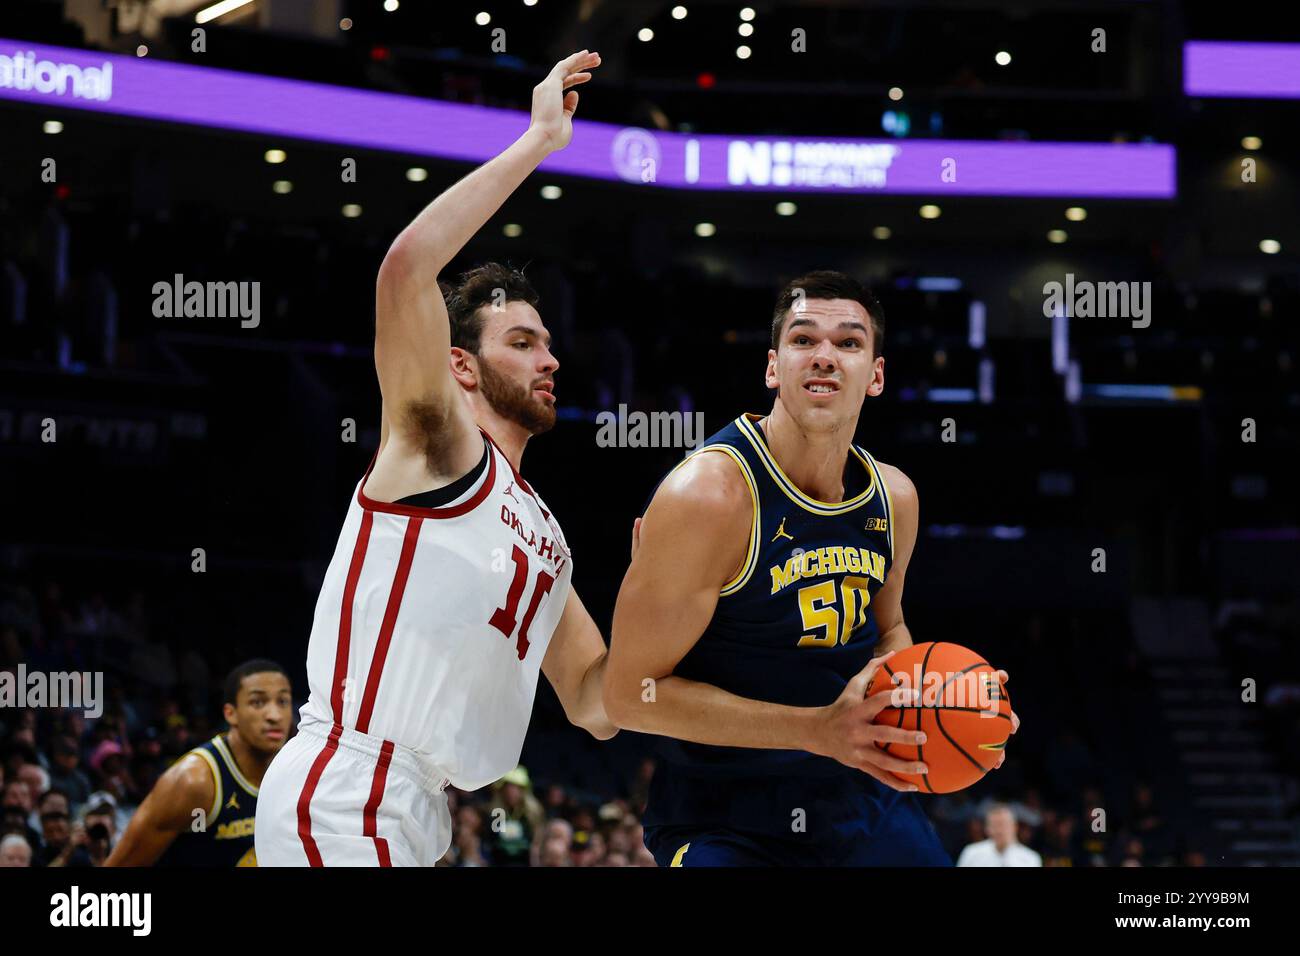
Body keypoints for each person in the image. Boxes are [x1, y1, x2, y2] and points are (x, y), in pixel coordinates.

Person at [256, 50, 619, 868]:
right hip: (347, 786)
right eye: (522, 342)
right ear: (461, 366)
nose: (548, 361)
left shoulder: (546, 534)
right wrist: (536, 143)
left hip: (426, 813)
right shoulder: (436, 446)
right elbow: (406, 270)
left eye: (550, 344)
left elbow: (598, 702)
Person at [604, 271, 1019, 866]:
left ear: (875, 376)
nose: (825, 355)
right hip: (724, 815)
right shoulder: (709, 496)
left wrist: (952, 697)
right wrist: (816, 729)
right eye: (804, 340)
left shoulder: (894, 497)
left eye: (849, 343)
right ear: (774, 368)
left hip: (861, 800)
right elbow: (628, 696)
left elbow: (887, 633)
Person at [104, 660, 291, 866]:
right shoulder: (193, 782)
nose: (274, 716)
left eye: (283, 701)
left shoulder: (293, 774)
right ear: (231, 713)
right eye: (257, 702)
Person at [956, 804, 1042, 867]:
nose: (999, 830)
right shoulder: (971, 852)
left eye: (1003, 824)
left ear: (1015, 826)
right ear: (987, 829)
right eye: (994, 825)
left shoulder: (1030, 858)